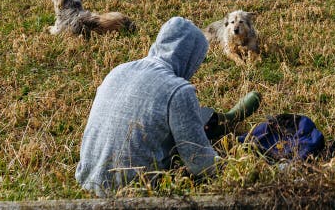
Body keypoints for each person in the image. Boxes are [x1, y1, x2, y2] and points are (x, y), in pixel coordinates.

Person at [76, 17, 236, 196]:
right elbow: (199, 163)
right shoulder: (179, 90)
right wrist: (237, 168)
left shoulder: (118, 70)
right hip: (132, 190)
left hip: (87, 181)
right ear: (190, 56)